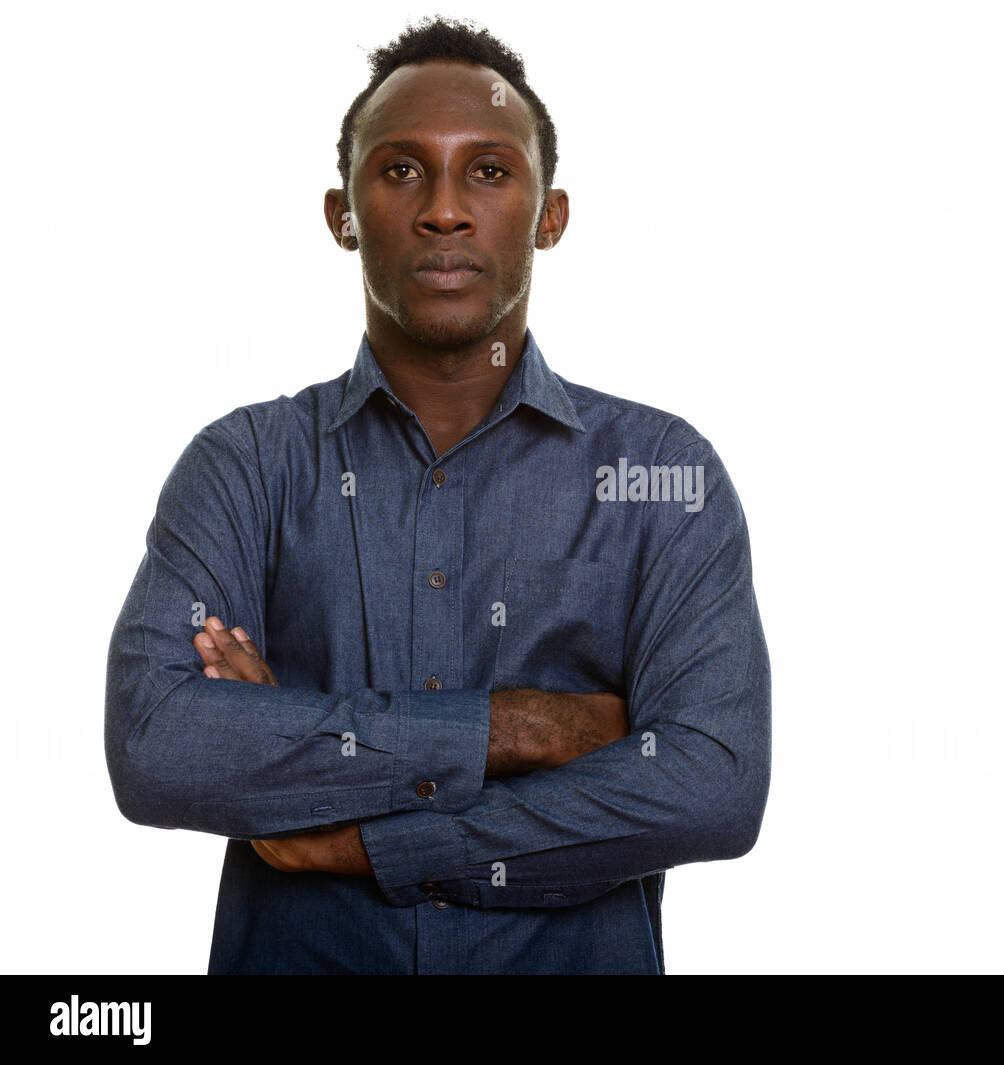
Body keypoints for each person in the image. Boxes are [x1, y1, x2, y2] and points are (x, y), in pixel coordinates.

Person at [105, 15, 771, 975]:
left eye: (490, 172)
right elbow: (160, 744)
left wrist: (353, 825)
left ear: (551, 214)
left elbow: (713, 782)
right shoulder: (245, 464)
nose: (445, 210)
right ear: (342, 214)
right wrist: (527, 728)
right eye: (402, 170)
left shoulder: (664, 474)